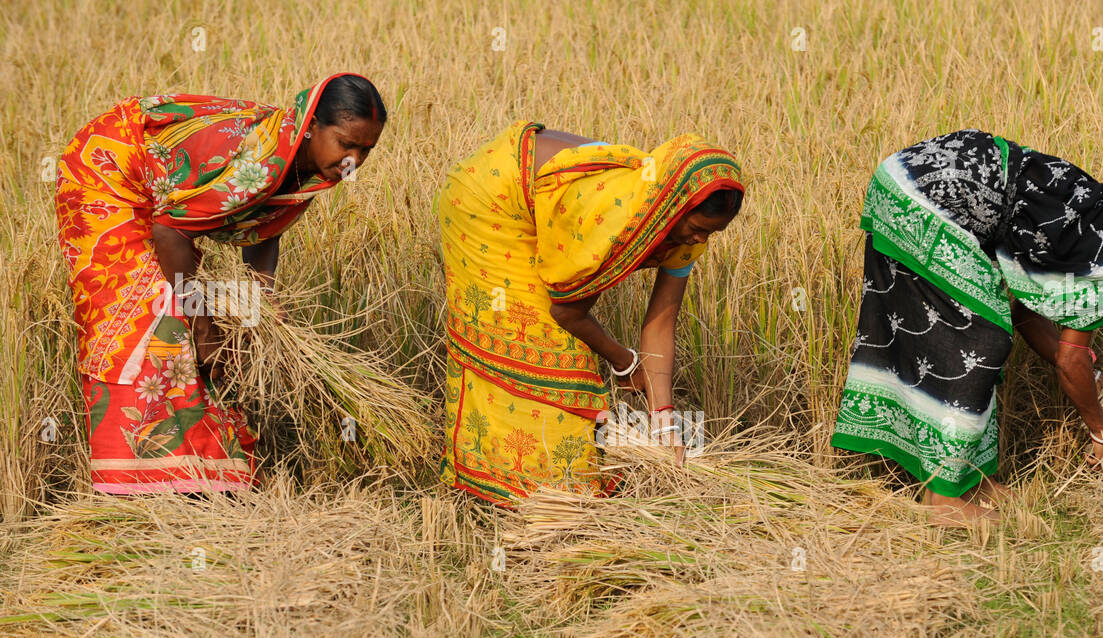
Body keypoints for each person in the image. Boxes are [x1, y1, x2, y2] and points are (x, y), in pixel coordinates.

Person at [830, 129, 1103, 524]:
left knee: (983, 329)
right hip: (924, 198)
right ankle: (941, 501)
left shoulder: (1096, 213)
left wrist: (1093, 375)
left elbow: (1026, 314)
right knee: (982, 339)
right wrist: (1102, 431)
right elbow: (1069, 359)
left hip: (903, 180)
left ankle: (968, 480)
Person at [56, 73, 386, 494]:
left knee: (187, 308)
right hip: (108, 170)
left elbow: (264, 226)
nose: (353, 161)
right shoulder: (259, 159)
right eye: (346, 143)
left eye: (366, 149)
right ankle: (136, 479)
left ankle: (204, 475)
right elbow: (171, 233)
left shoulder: (304, 166)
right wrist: (203, 325)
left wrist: (263, 302)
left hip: (158, 202)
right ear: (313, 127)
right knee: (147, 309)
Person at [436, 122, 744, 506]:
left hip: (535, 196)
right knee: (546, 347)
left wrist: (664, 419)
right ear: (673, 206)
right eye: (698, 229)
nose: (701, 240)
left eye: (712, 234)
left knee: (559, 355)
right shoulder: (615, 218)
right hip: (487, 200)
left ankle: (553, 494)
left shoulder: (684, 227)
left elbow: (663, 319)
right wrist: (625, 362)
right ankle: (524, 494)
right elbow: (566, 311)